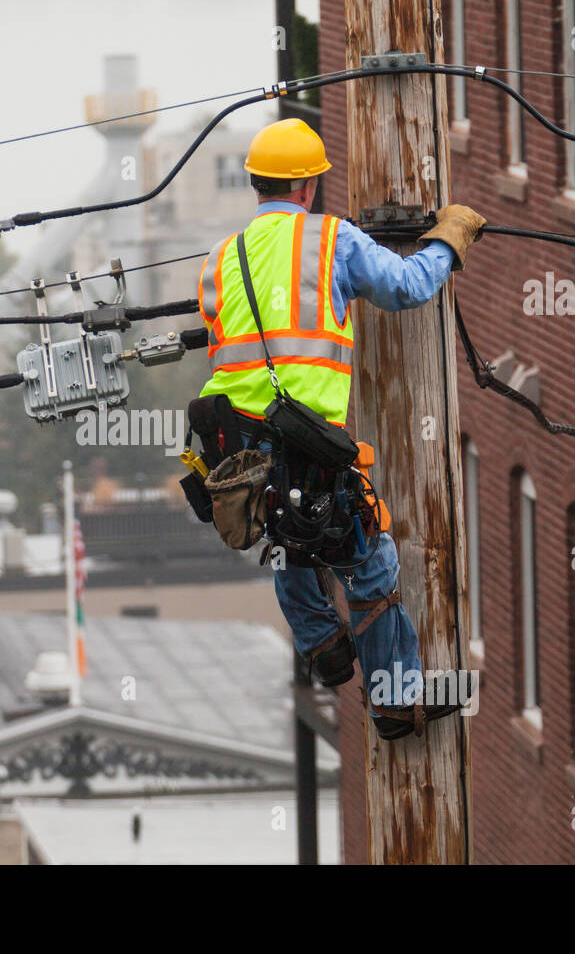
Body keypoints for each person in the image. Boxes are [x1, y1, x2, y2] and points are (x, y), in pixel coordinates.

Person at [195, 118, 483, 740]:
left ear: (256, 184)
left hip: (237, 455)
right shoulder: (334, 241)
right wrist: (448, 241)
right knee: (368, 558)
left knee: (288, 538)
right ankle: (395, 700)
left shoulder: (218, 261)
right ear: (308, 187)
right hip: (304, 437)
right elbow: (406, 287)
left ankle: (321, 640)